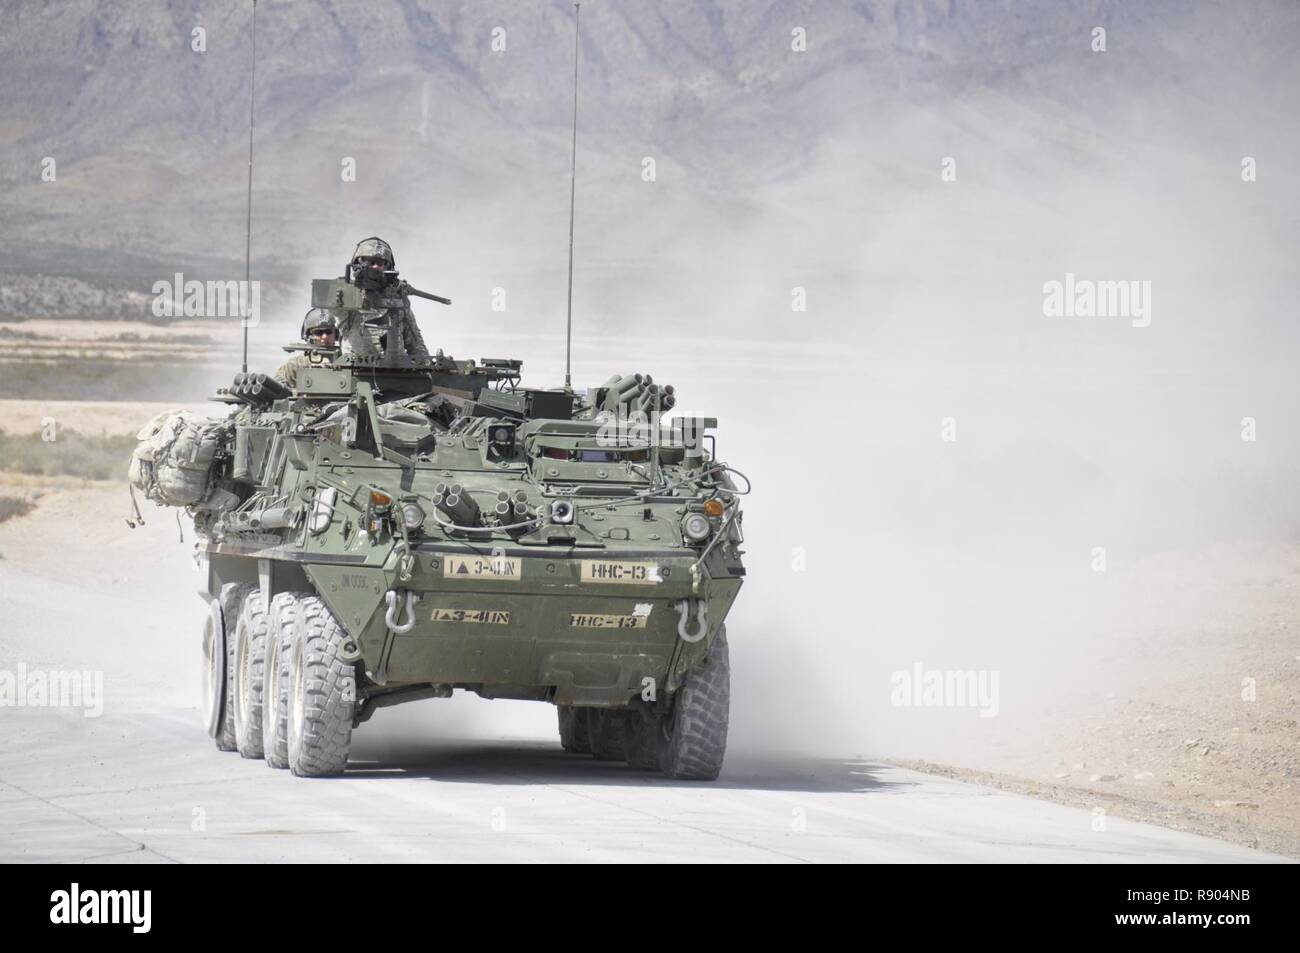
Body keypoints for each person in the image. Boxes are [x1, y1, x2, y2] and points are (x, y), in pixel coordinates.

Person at [335, 237, 430, 359]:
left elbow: (416, 344)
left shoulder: (397, 298)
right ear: (358, 264)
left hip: (396, 373)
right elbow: (333, 308)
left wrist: (427, 368)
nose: (375, 267)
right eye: (371, 262)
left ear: (387, 267)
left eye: (379, 263)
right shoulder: (346, 294)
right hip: (356, 372)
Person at [275, 309, 339, 387]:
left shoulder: (346, 361)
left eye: (328, 332)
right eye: (319, 332)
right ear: (308, 335)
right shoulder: (297, 364)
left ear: (336, 334)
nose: (324, 337)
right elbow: (277, 388)